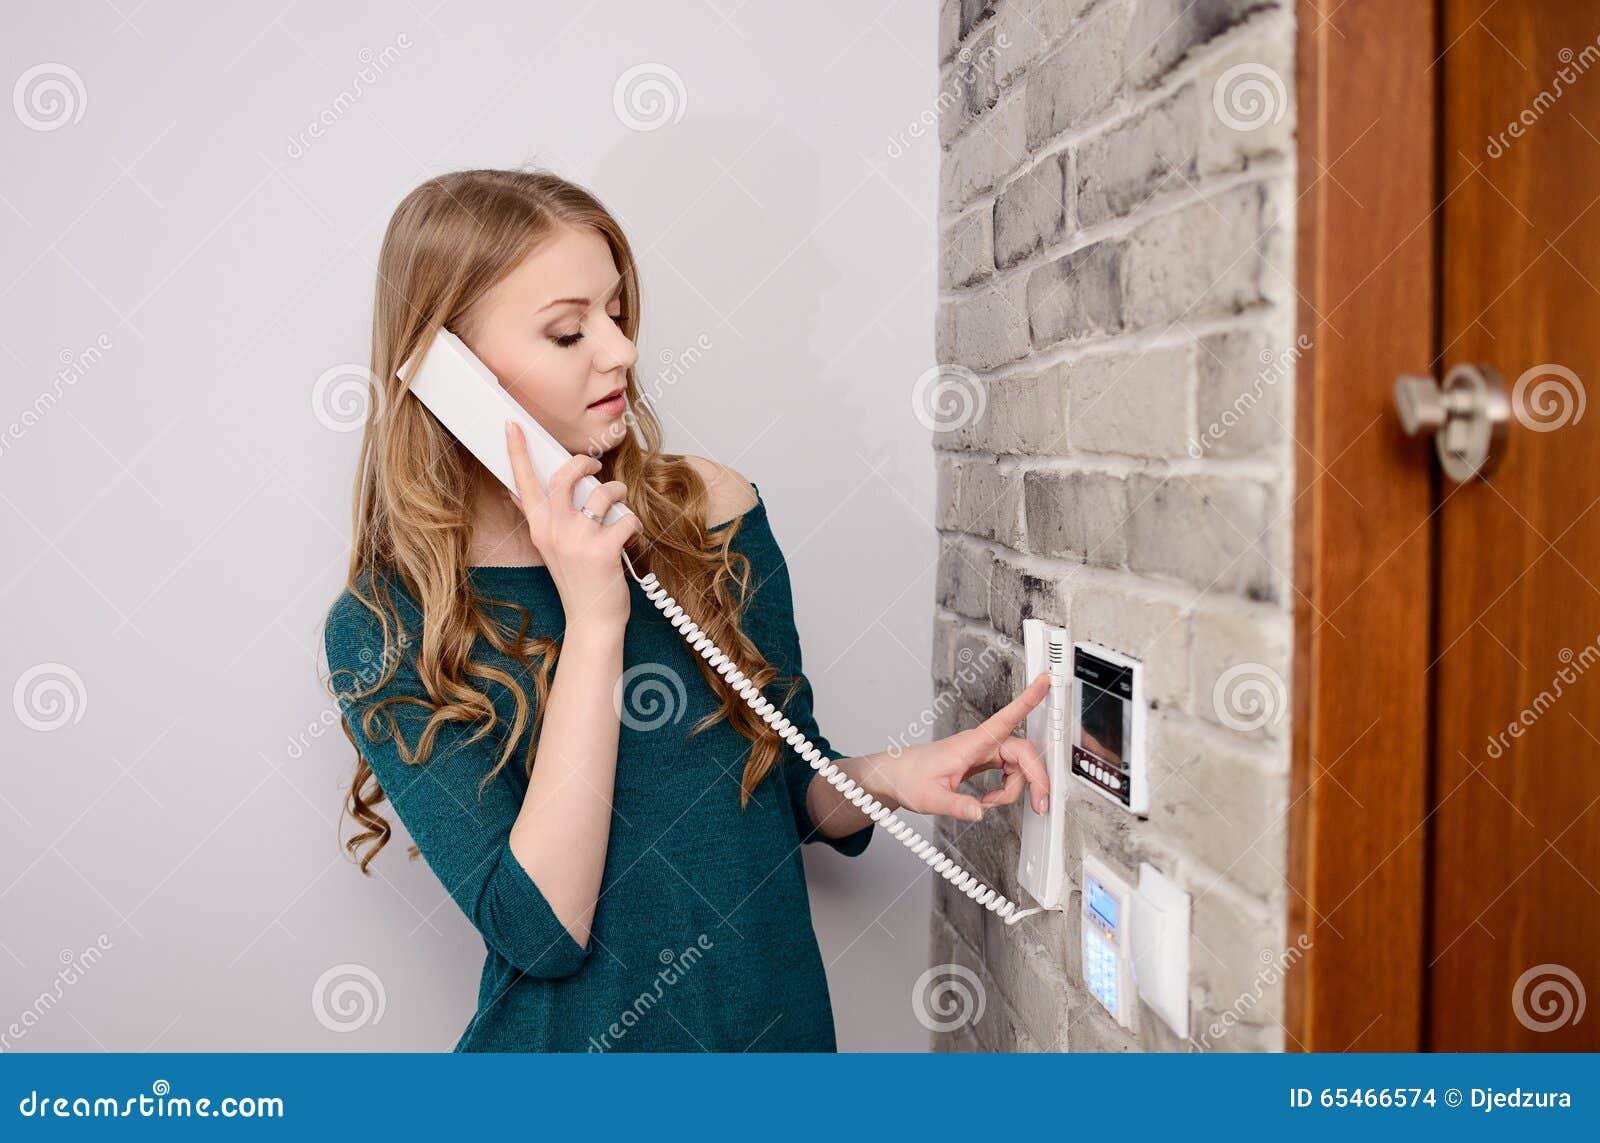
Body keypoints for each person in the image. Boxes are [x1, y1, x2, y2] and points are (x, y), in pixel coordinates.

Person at [322, 167, 1051, 1051]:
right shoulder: (389, 626)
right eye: (567, 330)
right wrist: (595, 622)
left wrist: (892, 777)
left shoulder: (710, 514)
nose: (620, 349)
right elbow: (543, 930)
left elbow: (785, 792)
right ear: (450, 375)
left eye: (616, 312)